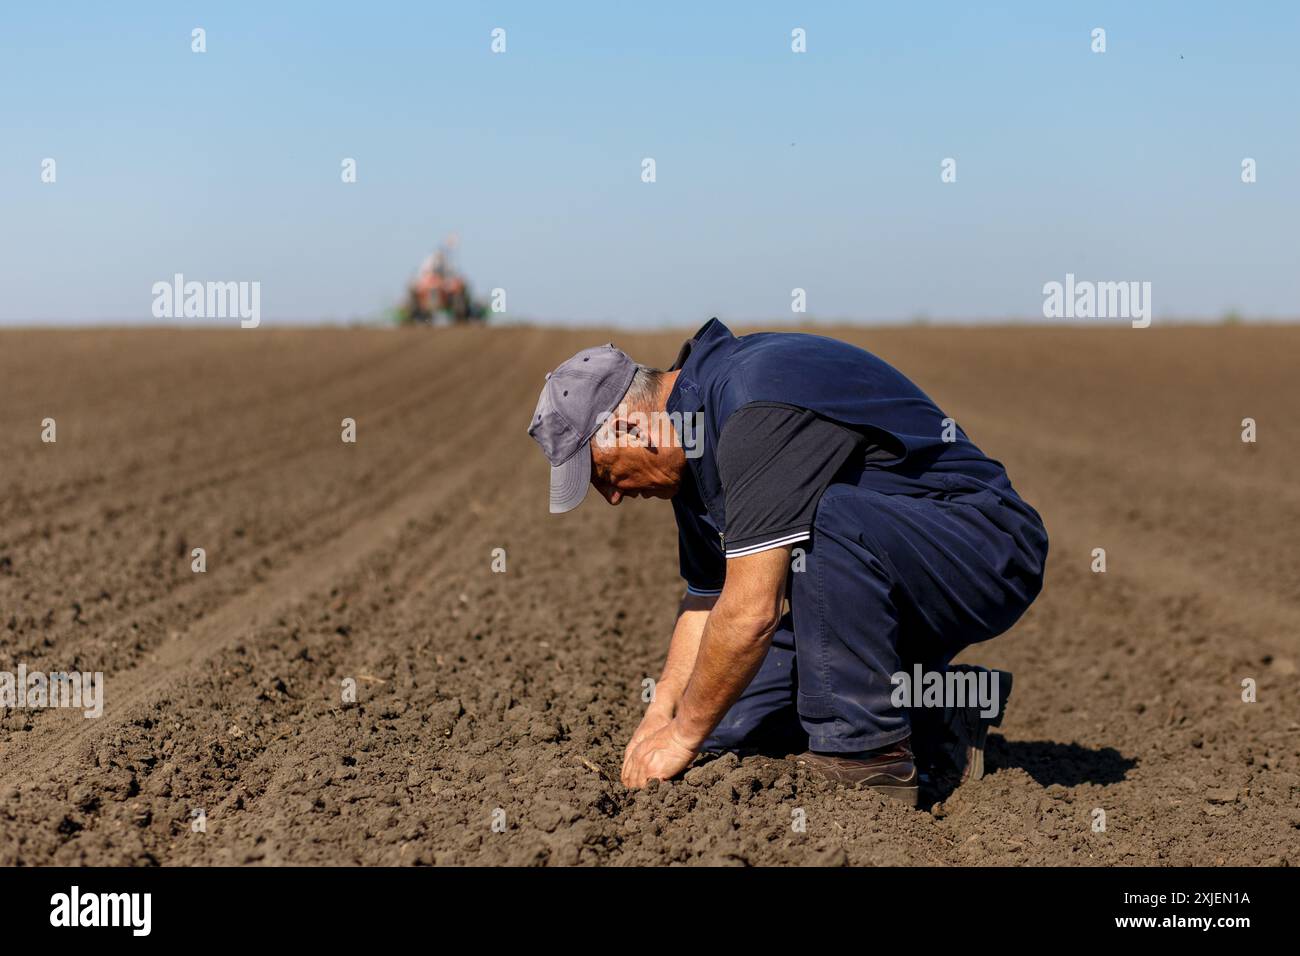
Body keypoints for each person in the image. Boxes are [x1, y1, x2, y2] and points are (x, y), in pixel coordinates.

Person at [525, 319, 1048, 805]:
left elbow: (751, 612)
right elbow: (709, 600)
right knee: (729, 727)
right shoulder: (694, 450)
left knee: (822, 519)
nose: (611, 497)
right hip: (872, 560)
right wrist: (664, 712)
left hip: (981, 541)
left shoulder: (752, 407)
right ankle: (935, 712)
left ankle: (869, 758)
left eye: (603, 474)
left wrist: (682, 735)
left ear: (631, 426)